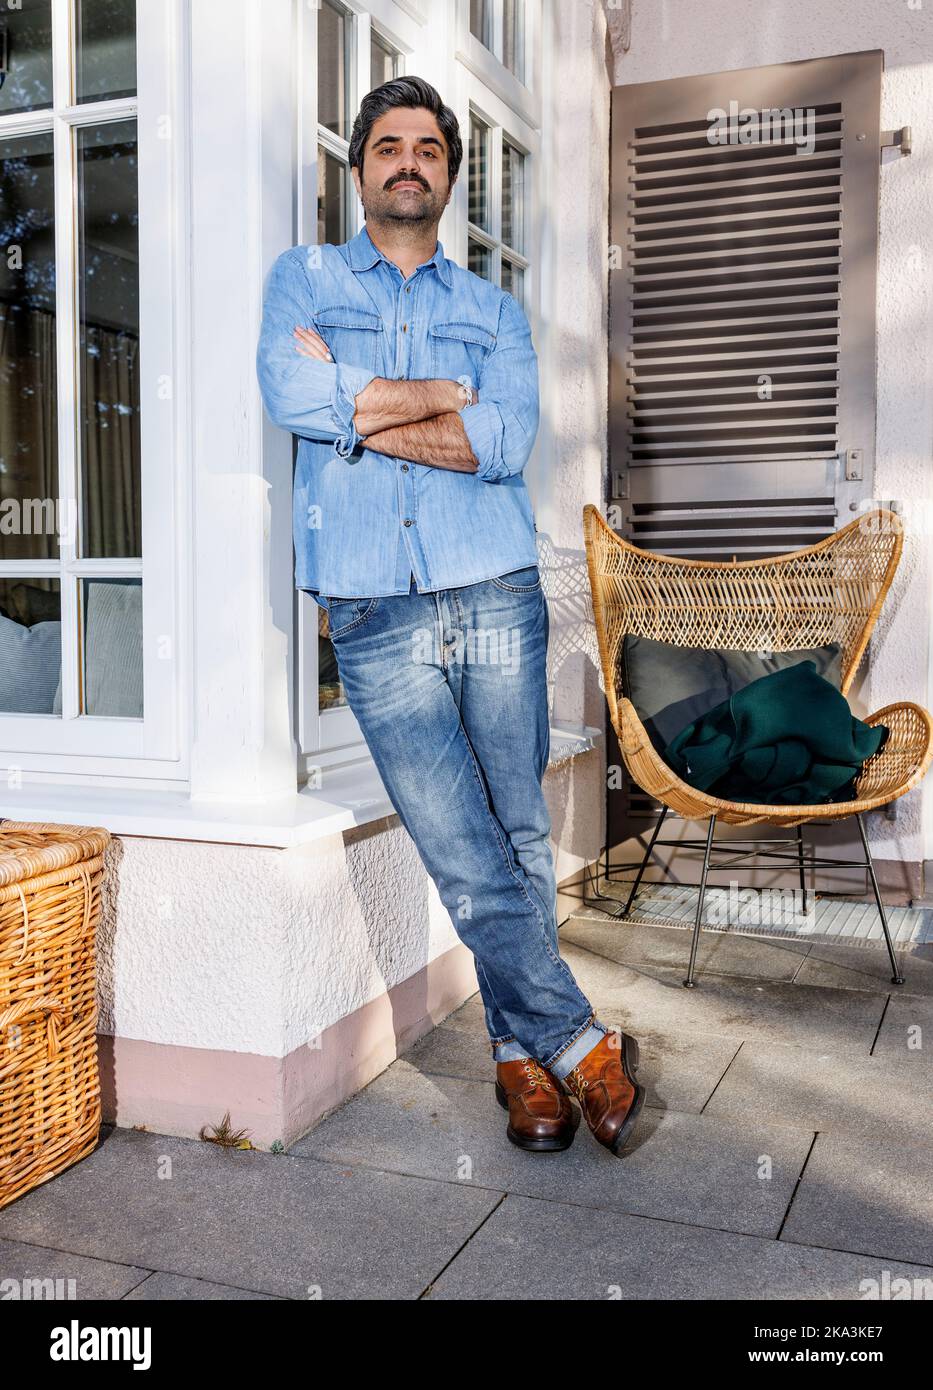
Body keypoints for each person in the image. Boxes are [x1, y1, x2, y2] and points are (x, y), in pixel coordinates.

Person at [256, 76, 643, 1157]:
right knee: (459, 845)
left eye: (429, 146)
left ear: (449, 175)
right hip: (373, 608)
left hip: (494, 592)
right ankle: (584, 1044)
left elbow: (502, 444)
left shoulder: (492, 310)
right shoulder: (306, 277)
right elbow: (290, 394)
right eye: (390, 144)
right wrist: (441, 397)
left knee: (516, 837)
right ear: (360, 168)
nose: (409, 160)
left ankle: (525, 1066)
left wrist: (362, 406)